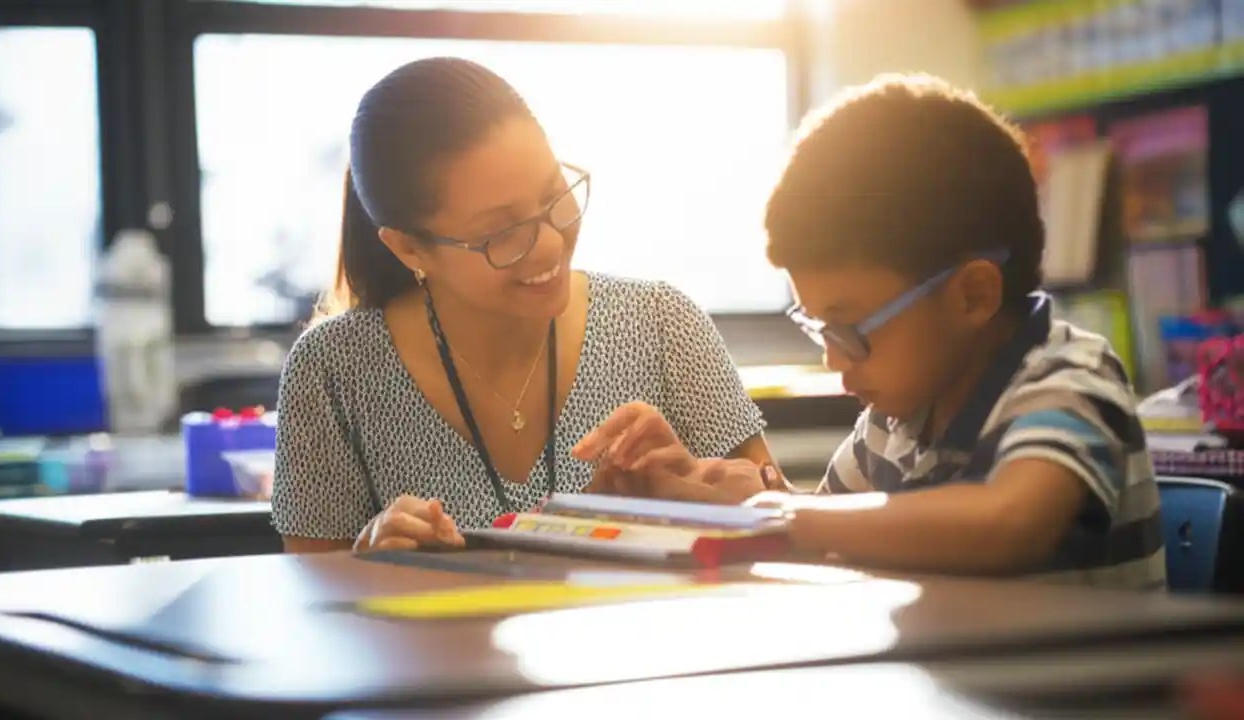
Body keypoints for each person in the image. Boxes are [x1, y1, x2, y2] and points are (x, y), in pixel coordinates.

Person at [576, 74, 1165, 590]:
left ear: (972, 295)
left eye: (851, 330)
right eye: (819, 328)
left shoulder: (1070, 382)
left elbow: (1008, 523)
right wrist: (694, 496)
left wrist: (780, 514)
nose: (835, 361)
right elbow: (835, 524)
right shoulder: (896, 418)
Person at [270, 57, 773, 554]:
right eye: (502, 232)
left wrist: (710, 498)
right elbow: (311, 590)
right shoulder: (333, 368)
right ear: (408, 248)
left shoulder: (661, 323)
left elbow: (791, 533)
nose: (551, 245)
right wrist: (370, 558)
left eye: (555, 195)